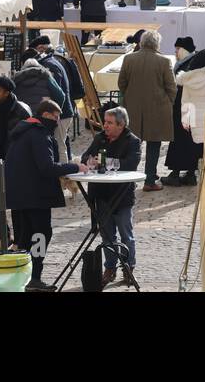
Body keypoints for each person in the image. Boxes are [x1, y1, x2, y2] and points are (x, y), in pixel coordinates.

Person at [5, 98, 86, 290]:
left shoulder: (22, 131)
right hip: (36, 196)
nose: (57, 121)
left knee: (24, 237)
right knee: (41, 235)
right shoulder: (39, 134)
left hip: (20, 195)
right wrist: (75, 166)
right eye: (56, 117)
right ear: (46, 115)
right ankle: (35, 277)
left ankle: (22, 277)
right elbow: (47, 167)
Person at [79, 106, 141, 287]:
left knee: (126, 235)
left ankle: (129, 267)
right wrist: (89, 161)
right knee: (107, 235)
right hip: (102, 195)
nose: (104, 126)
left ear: (121, 125)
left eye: (109, 123)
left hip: (121, 196)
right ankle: (110, 268)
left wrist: (107, 162)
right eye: (105, 122)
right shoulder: (100, 138)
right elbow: (85, 156)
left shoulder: (132, 141)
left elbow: (131, 163)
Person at [117, 30, 176, 192]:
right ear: (157, 43)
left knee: (132, 145)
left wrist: (130, 97)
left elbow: (121, 83)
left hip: (132, 108)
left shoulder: (129, 59)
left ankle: (128, 178)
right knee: (154, 145)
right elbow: (171, 87)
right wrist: (167, 103)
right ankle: (150, 180)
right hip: (157, 108)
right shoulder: (164, 61)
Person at [0, 76, 30, 248]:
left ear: (7, 93)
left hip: (15, 160)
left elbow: (26, 138)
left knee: (16, 200)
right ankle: (4, 235)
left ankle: (19, 239)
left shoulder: (20, 110)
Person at [164, 39, 205, 186]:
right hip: (204, 116)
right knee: (194, 145)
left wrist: (185, 118)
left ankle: (175, 174)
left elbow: (184, 100)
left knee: (179, 144)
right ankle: (191, 174)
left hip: (187, 114)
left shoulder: (187, 77)